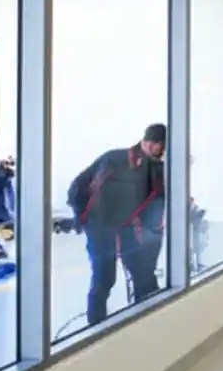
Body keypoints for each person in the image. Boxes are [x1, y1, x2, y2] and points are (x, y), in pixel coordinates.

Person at [68, 124, 166, 326]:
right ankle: (95, 329)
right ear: (149, 143)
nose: (163, 152)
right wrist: (81, 219)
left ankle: (149, 323)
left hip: (126, 227)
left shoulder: (156, 168)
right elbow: (77, 188)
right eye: (160, 147)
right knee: (104, 278)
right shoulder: (114, 160)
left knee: (144, 277)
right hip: (101, 228)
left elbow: (157, 199)